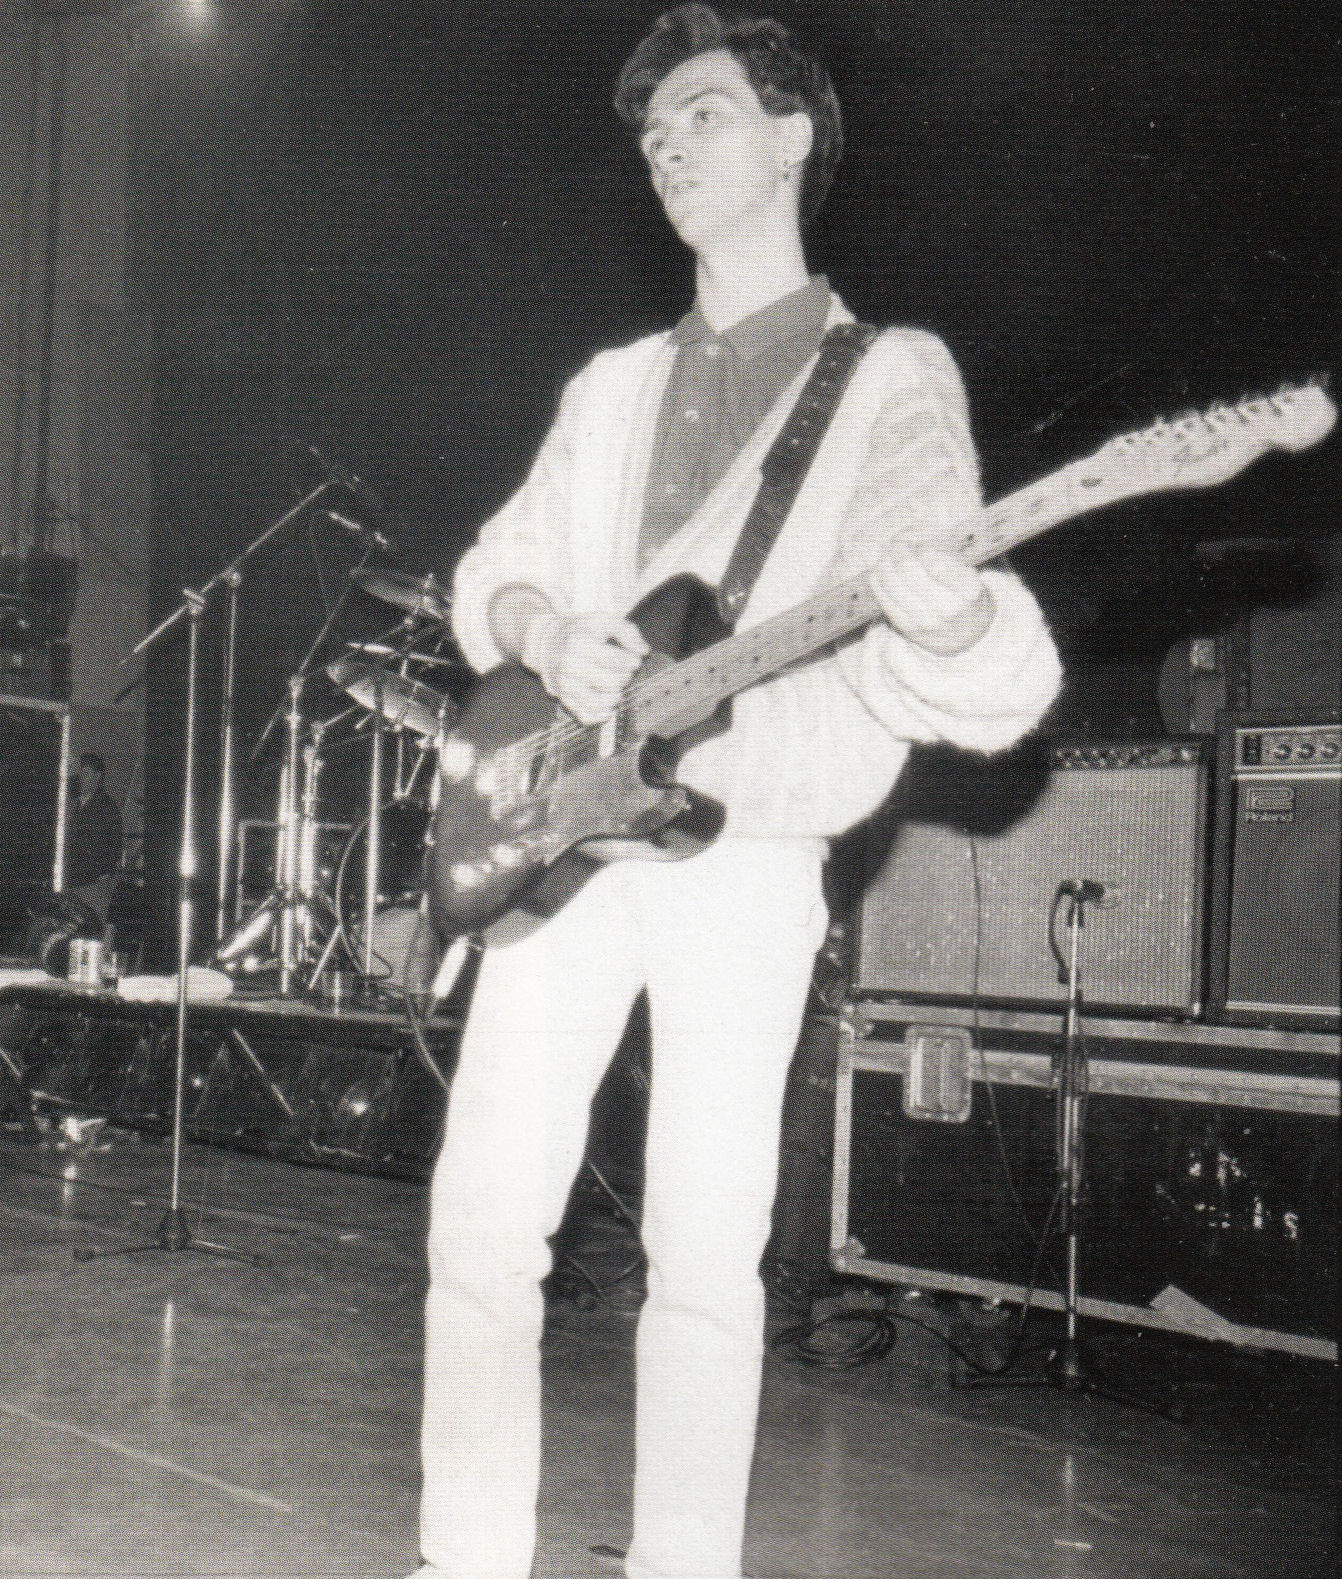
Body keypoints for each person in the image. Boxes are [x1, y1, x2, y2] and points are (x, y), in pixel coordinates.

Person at [413, 8, 1062, 1578]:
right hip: (565, 839)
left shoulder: (891, 379)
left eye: (702, 114)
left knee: (704, 1251)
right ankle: (465, 1554)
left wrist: (954, 613)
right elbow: (493, 565)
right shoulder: (614, 385)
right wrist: (538, 627)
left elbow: (969, 685)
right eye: (653, 134)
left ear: (790, 140)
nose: (667, 146)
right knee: (481, 1221)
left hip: (747, 848)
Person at [65, 751, 123, 924]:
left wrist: (101, 875)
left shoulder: (107, 808)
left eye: (86, 773)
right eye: (80, 772)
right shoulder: (74, 805)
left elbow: (114, 848)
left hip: (93, 886)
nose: (81, 778)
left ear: (98, 777)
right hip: (73, 882)